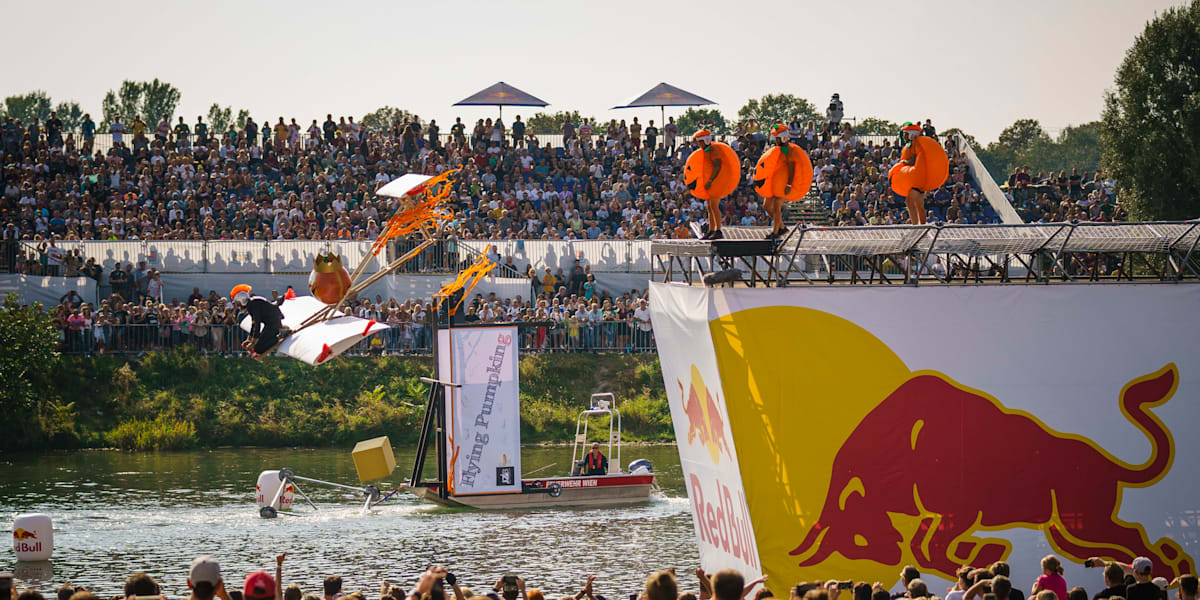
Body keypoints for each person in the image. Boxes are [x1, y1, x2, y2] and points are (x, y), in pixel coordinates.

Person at [232, 284, 289, 359]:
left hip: (273, 322)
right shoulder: (252, 304)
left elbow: (257, 325)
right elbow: (254, 324)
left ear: (242, 301)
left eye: (238, 304)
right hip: (270, 322)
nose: (238, 306)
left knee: (258, 348)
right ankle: (279, 334)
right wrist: (249, 339)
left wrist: (252, 342)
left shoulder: (253, 305)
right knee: (258, 346)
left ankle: (280, 336)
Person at [763, 124, 799, 240]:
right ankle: (782, 227)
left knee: (776, 207)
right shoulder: (776, 149)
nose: (775, 140)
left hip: (783, 183)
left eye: (777, 138)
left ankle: (775, 232)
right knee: (767, 206)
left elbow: (791, 169)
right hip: (773, 182)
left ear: (783, 138)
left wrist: (789, 184)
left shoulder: (789, 150)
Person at [692, 129, 727, 240]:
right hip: (710, 182)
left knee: (714, 206)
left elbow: (717, 166)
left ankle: (718, 230)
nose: (698, 144)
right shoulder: (706, 150)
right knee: (710, 207)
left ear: (706, 140)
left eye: (700, 141)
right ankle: (711, 230)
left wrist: (711, 180)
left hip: (716, 181)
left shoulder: (714, 149)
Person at [898, 122, 928, 224]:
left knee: (909, 202)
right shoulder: (913, 144)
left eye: (906, 134)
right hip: (920, 179)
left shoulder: (915, 144)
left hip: (917, 179)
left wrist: (903, 162)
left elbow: (913, 160)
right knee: (919, 205)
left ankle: (915, 226)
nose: (904, 136)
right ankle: (923, 225)